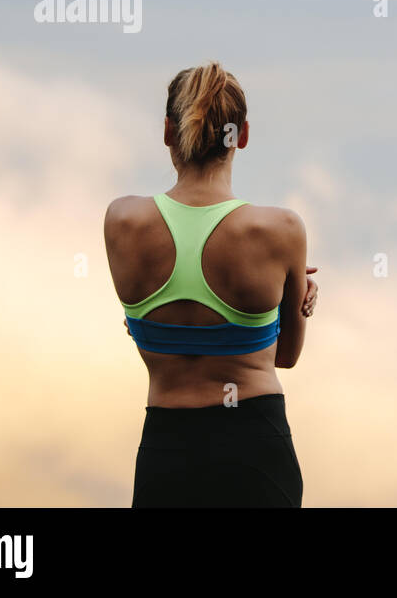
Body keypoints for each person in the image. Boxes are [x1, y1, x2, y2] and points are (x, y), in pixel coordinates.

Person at [103, 62, 315, 507]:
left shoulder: (123, 221)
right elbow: (287, 357)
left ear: (167, 131)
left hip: (167, 449)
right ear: (243, 135)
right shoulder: (280, 232)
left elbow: (150, 325)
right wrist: (291, 297)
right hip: (256, 449)